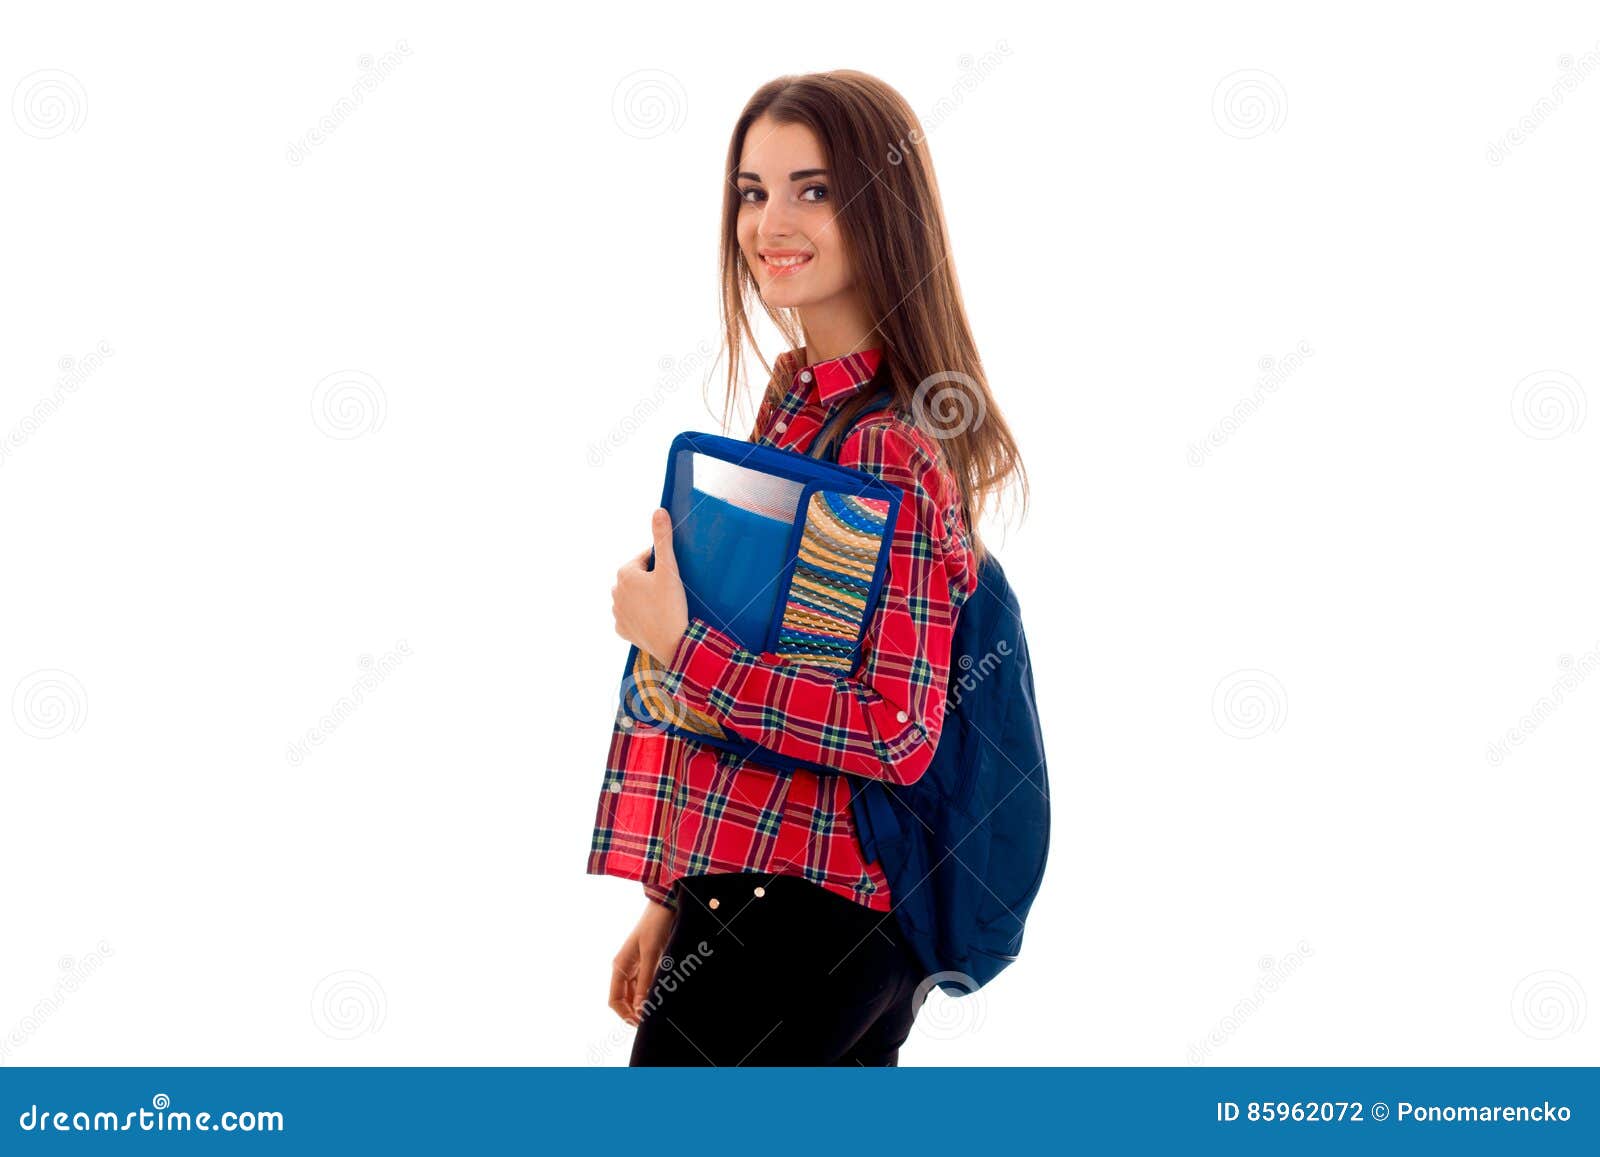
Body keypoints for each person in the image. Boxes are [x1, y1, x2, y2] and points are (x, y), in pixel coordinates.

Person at [588, 69, 1030, 1066]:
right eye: (752, 190)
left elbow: (894, 725)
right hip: (761, 902)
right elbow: (782, 679)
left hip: (808, 921)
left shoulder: (885, 448)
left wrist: (678, 644)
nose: (769, 220)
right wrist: (676, 896)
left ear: (883, 212)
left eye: (812, 188)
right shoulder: (797, 411)